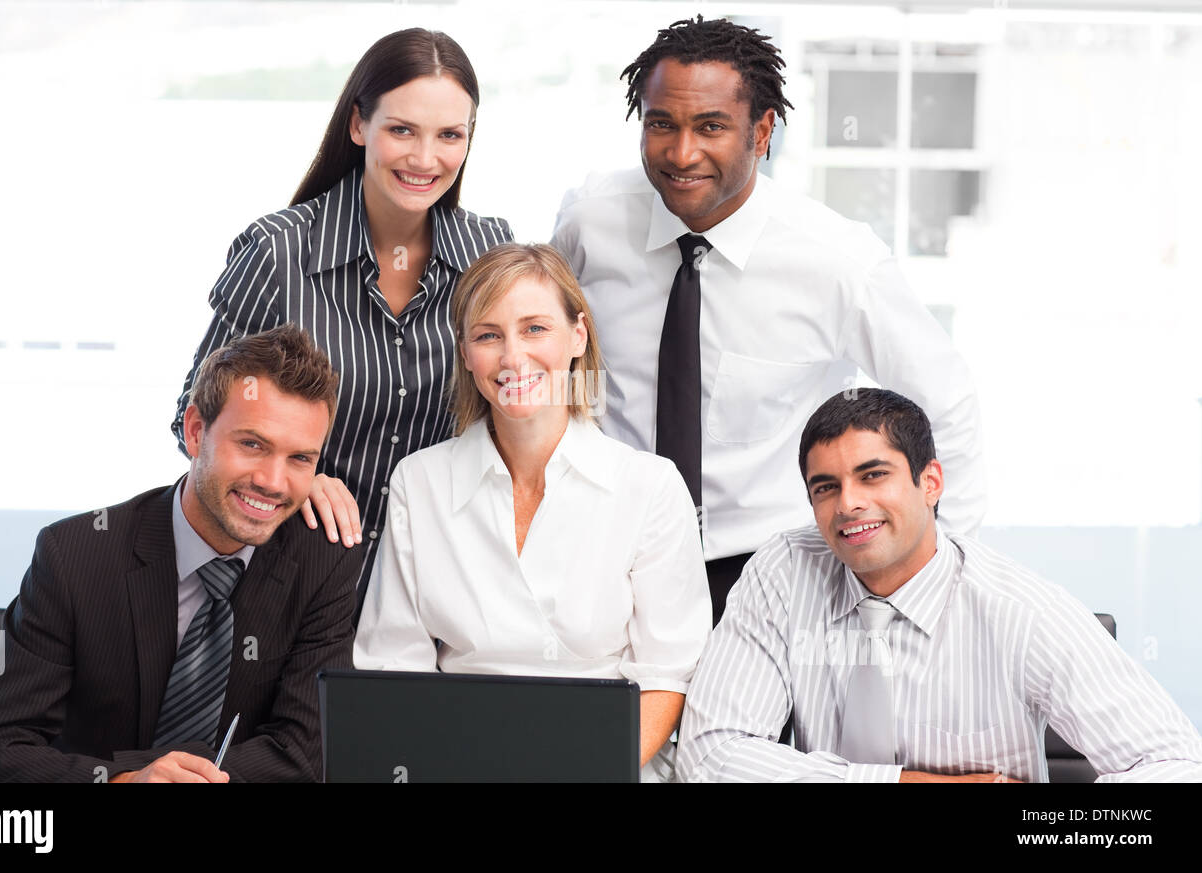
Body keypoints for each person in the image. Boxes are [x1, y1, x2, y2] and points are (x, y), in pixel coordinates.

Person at [550, 16, 985, 623]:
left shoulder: (837, 260)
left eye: (711, 127)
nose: (681, 153)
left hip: (768, 574)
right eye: (661, 125)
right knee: (603, 721)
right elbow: (544, 355)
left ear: (761, 132)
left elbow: (948, 407)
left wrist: (927, 584)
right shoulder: (590, 222)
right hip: (607, 557)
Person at [676, 388, 1202, 782]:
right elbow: (710, 754)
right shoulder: (785, 572)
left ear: (931, 483)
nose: (848, 503)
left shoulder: (1020, 611)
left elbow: (1174, 764)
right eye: (826, 487)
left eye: (873, 475)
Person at [171, 28, 512, 605]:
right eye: (401, 129)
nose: (425, 159)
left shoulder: (488, 255)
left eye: (449, 135)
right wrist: (297, 479)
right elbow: (192, 419)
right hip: (288, 582)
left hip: (434, 590)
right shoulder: (279, 252)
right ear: (359, 125)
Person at [354, 243, 712, 780]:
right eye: (488, 335)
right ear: (466, 352)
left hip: (605, 766)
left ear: (578, 335)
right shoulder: (420, 481)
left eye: (535, 329)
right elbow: (393, 667)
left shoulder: (649, 487)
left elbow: (665, 679)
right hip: (457, 764)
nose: (513, 357)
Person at [0, 325, 361, 782]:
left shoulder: (322, 563)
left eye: (300, 459)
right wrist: (127, 781)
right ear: (194, 431)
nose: (272, 480)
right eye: (252, 444)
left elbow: (306, 754)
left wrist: (163, 777)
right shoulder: (75, 556)